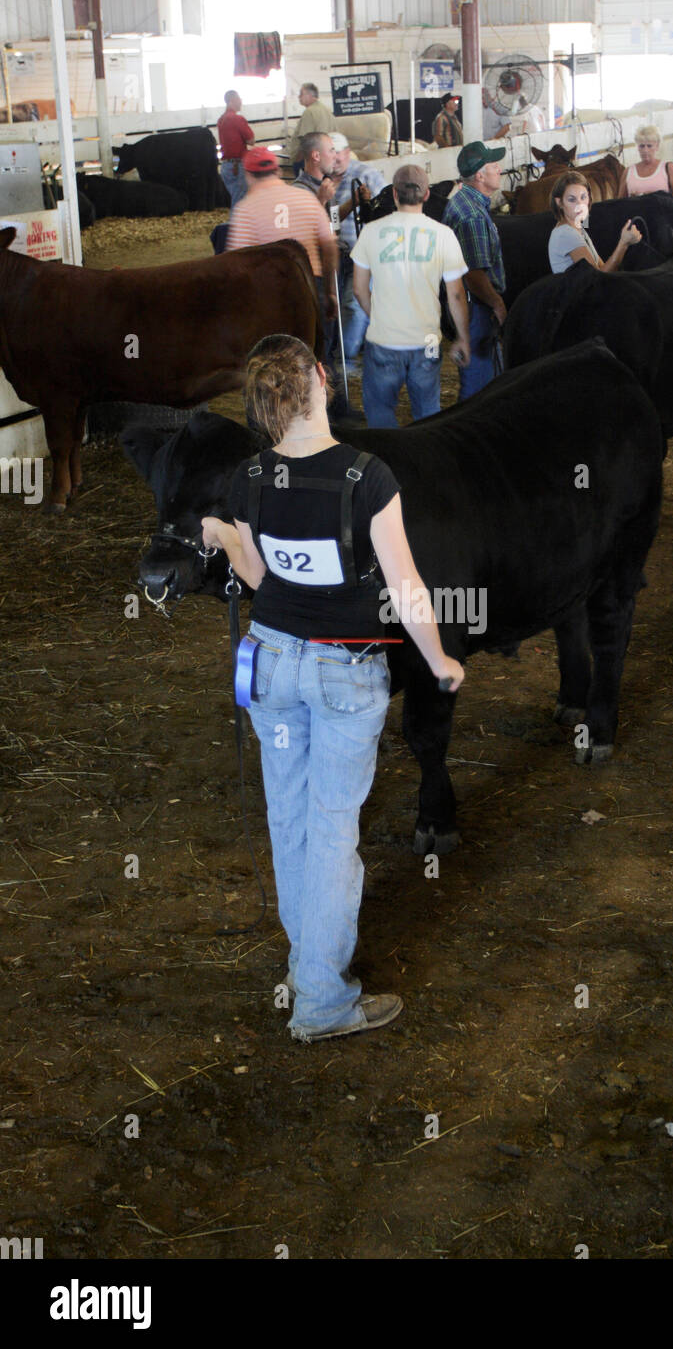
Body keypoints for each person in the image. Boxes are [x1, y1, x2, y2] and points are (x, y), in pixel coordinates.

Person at [201, 335, 464, 1042]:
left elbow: (263, 581)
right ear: (322, 379)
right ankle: (321, 997)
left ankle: (306, 963)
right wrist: (439, 659)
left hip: (274, 665)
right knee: (332, 829)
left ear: (263, 405)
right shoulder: (366, 477)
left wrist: (227, 539)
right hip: (344, 673)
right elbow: (405, 584)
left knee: (289, 818)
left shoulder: (250, 479)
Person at [351, 165, 470, 427]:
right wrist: (462, 337)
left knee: (380, 413)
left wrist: (378, 316)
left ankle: (385, 465)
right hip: (426, 338)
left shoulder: (371, 232)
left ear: (394, 194)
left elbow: (359, 290)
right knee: (428, 412)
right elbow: (457, 295)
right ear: (427, 195)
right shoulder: (443, 235)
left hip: (384, 339)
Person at [225, 147, 340, 392]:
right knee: (318, 353)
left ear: (248, 174)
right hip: (311, 287)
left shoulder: (246, 210)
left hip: (269, 295)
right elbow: (329, 246)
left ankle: (276, 416)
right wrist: (330, 291)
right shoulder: (305, 198)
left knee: (273, 359)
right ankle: (331, 414)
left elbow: (235, 263)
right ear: (277, 170)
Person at [442, 140, 507, 400]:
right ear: (480, 175)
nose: (499, 169)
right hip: (476, 307)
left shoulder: (461, 201)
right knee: (479, 386)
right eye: (494, 165)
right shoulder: (473, 216)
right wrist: (497, 303)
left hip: (464, 303)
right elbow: (474, 274)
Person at [330, 131, 386, 373]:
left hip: (363, 253)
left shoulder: (366, 174)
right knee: (347, 305)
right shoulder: (324, 182)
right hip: (336, 256)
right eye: (329, 155)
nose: (334, 159)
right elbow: (329, 221)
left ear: (346, 152)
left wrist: (368, 202)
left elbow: (384, 209)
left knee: (354, 304)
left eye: (338, 153)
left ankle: (346, 360)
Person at [548, 171, 642, 273]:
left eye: (583, 197)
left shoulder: (578, 229)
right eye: (572, 199)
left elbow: (604, 268)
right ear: (559, 202)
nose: (580, 204)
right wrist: (623, 243)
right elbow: (598, 277)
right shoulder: (566, 233)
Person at [617, 124, 673, 206]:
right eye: (642, 146)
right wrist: (634, 200)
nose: (645, 150)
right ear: (637, 147)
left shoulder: (667, 168)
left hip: (662, 217)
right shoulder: (628, 172)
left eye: (649, 146)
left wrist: (656, 199)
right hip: (637, 217)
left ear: (657, 146)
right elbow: (620, 203)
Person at [217, 90, 255, 207]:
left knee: (236, 197)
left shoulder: (221, 120)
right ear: (232, 101)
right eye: (239, 99)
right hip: (237, 165)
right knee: (240, 201)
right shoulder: (237, 119)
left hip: (226, 166)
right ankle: (237, 224)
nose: (241, 102)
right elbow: (251, 140)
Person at [287, 82, 337, 169]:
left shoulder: (309, 112)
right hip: (326, 157)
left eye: (301, 94)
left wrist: (298, 160)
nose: (299, 97)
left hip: (309, 159)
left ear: (309, 95)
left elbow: (306, 139)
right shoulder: (327, 110)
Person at [294, 131, 337, 211]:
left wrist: (353, 202)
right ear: (316, 156)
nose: (335, 156)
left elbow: (333, 220)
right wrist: (322, 200)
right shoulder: (299, 192)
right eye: (331, 151)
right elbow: (308, 222)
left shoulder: (325, 183)